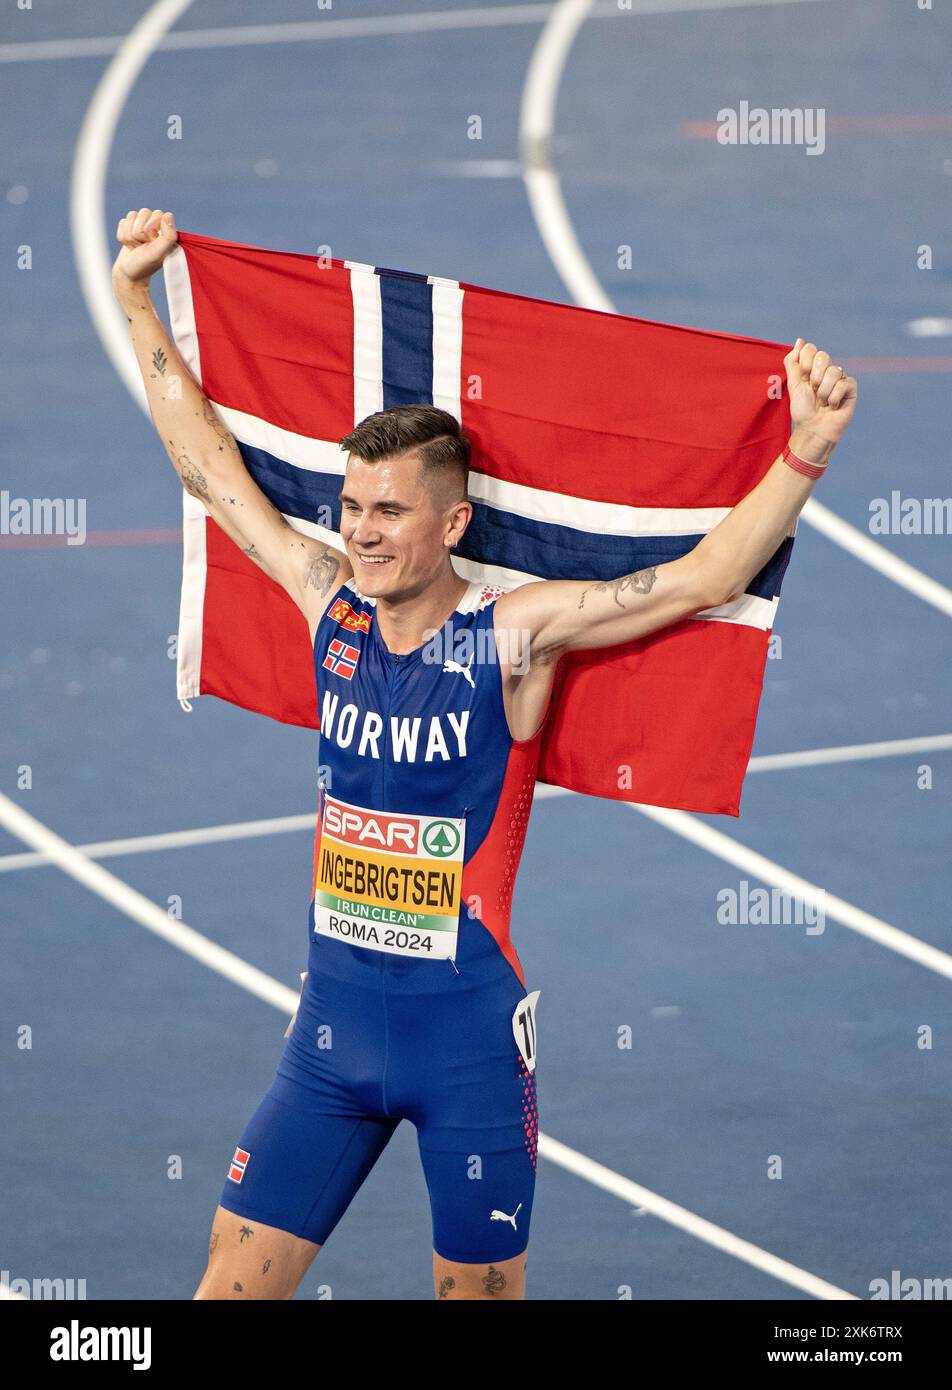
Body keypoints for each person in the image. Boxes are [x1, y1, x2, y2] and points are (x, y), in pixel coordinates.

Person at [112, 208, 858, 1301]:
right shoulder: (329, 608)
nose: (360, 531)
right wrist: (136, 295)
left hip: (463, 1046)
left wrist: (805, 450)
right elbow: (207, 465)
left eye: (389, 512)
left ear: (453, 524)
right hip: (326, 1042)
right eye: (352, 506)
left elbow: (702, 580)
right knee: (227, 1290)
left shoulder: (516, 637)